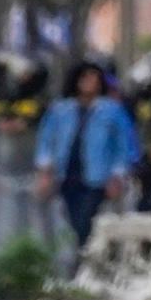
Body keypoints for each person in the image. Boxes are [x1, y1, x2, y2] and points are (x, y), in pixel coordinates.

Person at [37, 58, 138, 247]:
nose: (89, 83)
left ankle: (84, 257)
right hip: (67, 173)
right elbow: (46, 140)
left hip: (97, 175)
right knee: (71, 220)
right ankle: (79, 257)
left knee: (86, 221)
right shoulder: (61, 109)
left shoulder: (112, 110)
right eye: (85, 78)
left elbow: (124, 145)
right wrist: (45, 171)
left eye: (94, 78)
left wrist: (117, 175)